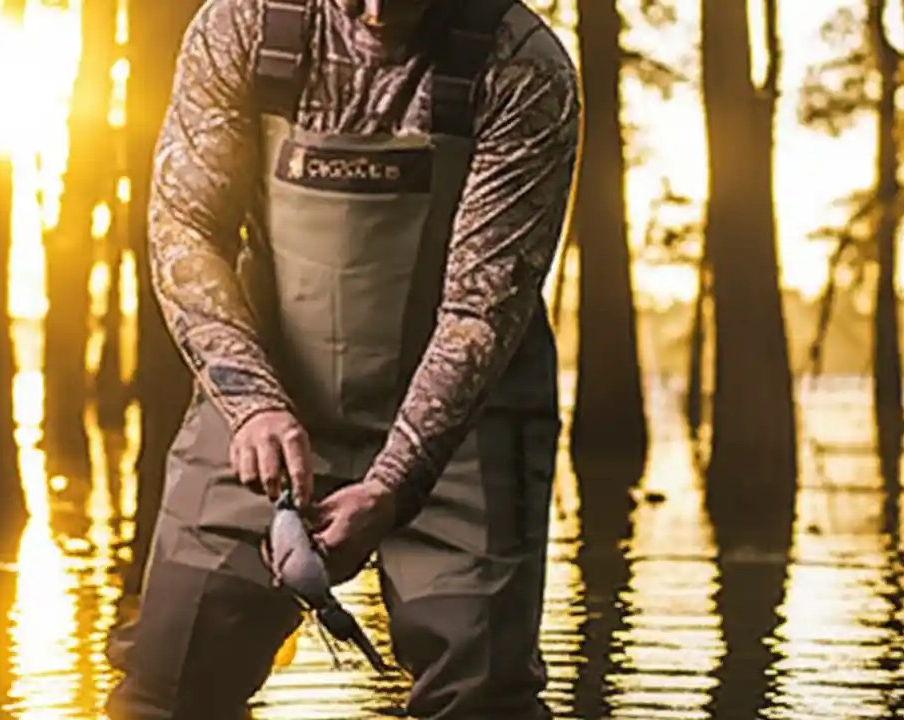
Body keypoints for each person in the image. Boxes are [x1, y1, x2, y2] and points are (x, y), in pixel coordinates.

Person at [105, 0, 579, 717]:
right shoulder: (242, 29)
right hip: (262, 408)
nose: (379, 10)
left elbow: (481, 310)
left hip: (464, 430)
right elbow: (185, 231)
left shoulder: (523, 66)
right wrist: (253, 402)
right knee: (168, 690)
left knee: (481, 699)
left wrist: (394, 481)